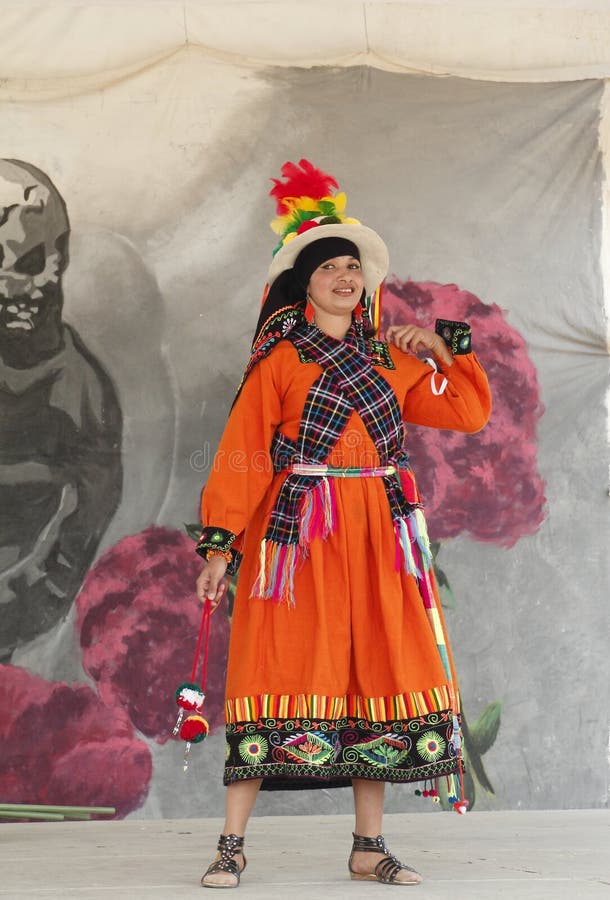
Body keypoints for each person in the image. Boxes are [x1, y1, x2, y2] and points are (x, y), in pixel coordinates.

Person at [194, 159, 491, 888]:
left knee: (375, 674)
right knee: (278, 668)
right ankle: (231, 845)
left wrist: (443, 349)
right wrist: (220, 545)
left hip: (380, 536)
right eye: (331, 266)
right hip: (300, 537)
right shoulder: (280, 363)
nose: (346, 276)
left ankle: (368, 846)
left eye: (353, 267)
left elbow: (468, 412)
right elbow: (241, 456)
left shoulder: (391, 358)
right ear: (306, 283)